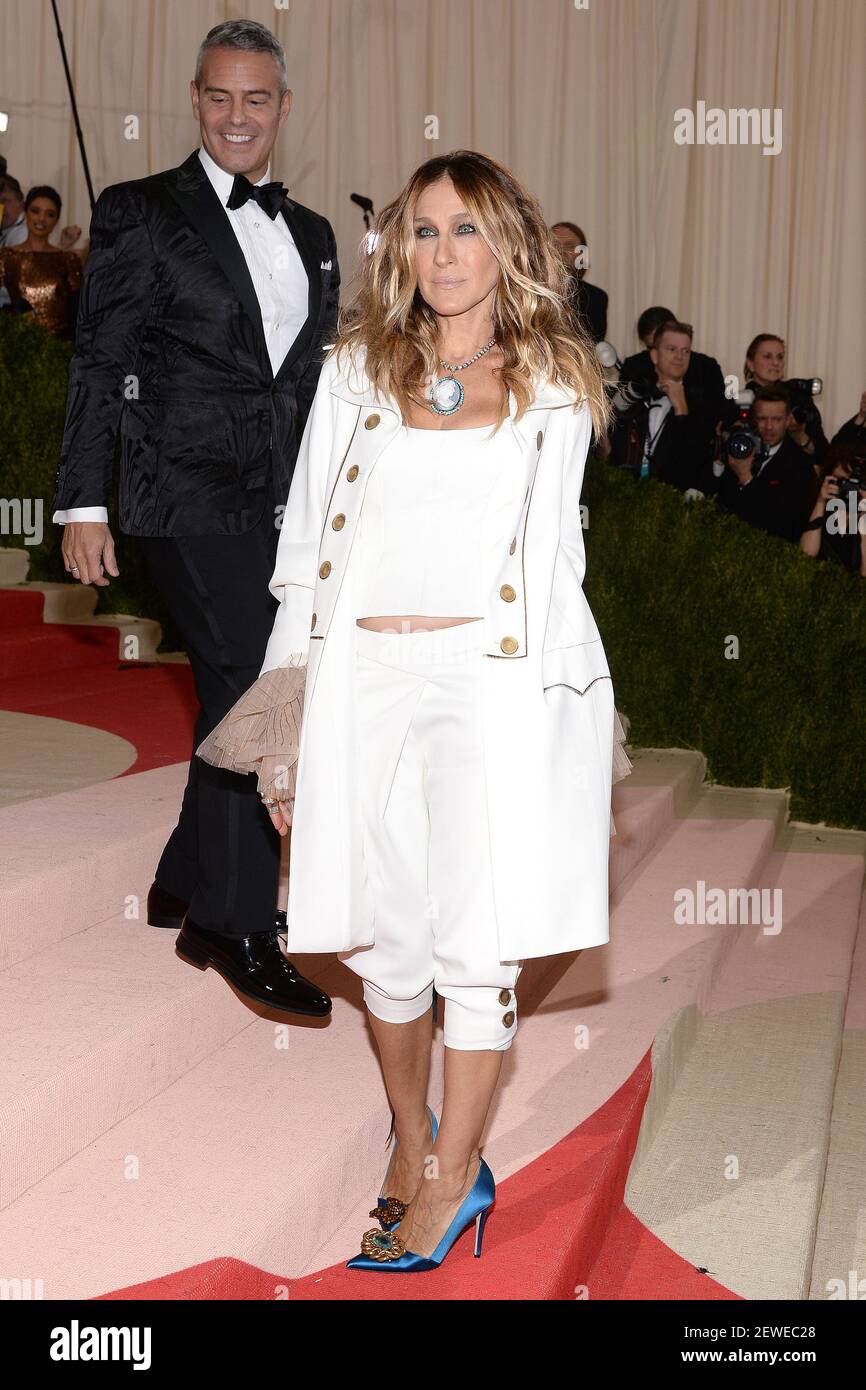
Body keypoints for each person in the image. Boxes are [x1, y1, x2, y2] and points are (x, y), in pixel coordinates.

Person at [197, 149, 633, 1272]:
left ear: (508, 247)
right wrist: (286, 723)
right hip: (361, 683)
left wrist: (580, 719)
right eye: (425, 231)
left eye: (467, 230)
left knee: (475, 945)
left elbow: (557, 569)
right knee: (384, 943)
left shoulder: (553, 386)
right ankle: (409, 1136)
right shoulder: (353, 371)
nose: (444, 254)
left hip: (490, 690)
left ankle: (449, 1180)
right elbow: (303, 553)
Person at [52, 19, 338, 1018]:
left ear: (283, 106)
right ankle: (236, 920)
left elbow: (311, 387)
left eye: (255, 98)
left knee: (241, 679)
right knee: (260, 684)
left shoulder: (312, 236)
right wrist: (83, 499)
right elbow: (98, 359)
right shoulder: (138, 212)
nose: (236, 116)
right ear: (194, 98)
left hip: (279, 502)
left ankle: (184, 866)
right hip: (177, 496)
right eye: (218, 96)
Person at [607, 320, 722, 493]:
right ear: (654, 356)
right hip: (625, 498)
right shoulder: (635, 395)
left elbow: (695, 463)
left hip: (672, 504)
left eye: (686, 351)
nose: (680, 356)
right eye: (672, 349)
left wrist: (682, 410)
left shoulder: (702, 404)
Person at [715, 386, 818, 542]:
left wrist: (746, 478)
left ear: (788, 420)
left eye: (776, 419)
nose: (769, 427)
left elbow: (782, 523)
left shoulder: (800, 465)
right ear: (753, 419)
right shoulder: (739, 449)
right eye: (762, 419)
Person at [0, 186, 84, 337]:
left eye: (50, 214)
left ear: (57, 219)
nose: (41, 219)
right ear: (25, 212)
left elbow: (79, 309)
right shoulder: (7, 256)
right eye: (35, 211)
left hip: (59, 350)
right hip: (18, 347)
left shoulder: (68, 260)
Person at [743, 333, 828, 464]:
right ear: (750, 364)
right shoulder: (739, 401)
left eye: (780, 357)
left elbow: (823, 454)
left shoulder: (799, 398)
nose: (776, 362)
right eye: (767, 356)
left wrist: (799, 436)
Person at [798, 441, 866, 575]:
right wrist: (820, 502)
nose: (847, 489)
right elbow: (805, 556)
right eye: (841, 481)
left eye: (854, 483)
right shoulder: (820, 510)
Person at [550, 220, 608, 342]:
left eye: (569, 246)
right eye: (554, 244)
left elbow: (592, 344)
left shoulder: (596, 297)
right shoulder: (527, 289)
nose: (561, 251)